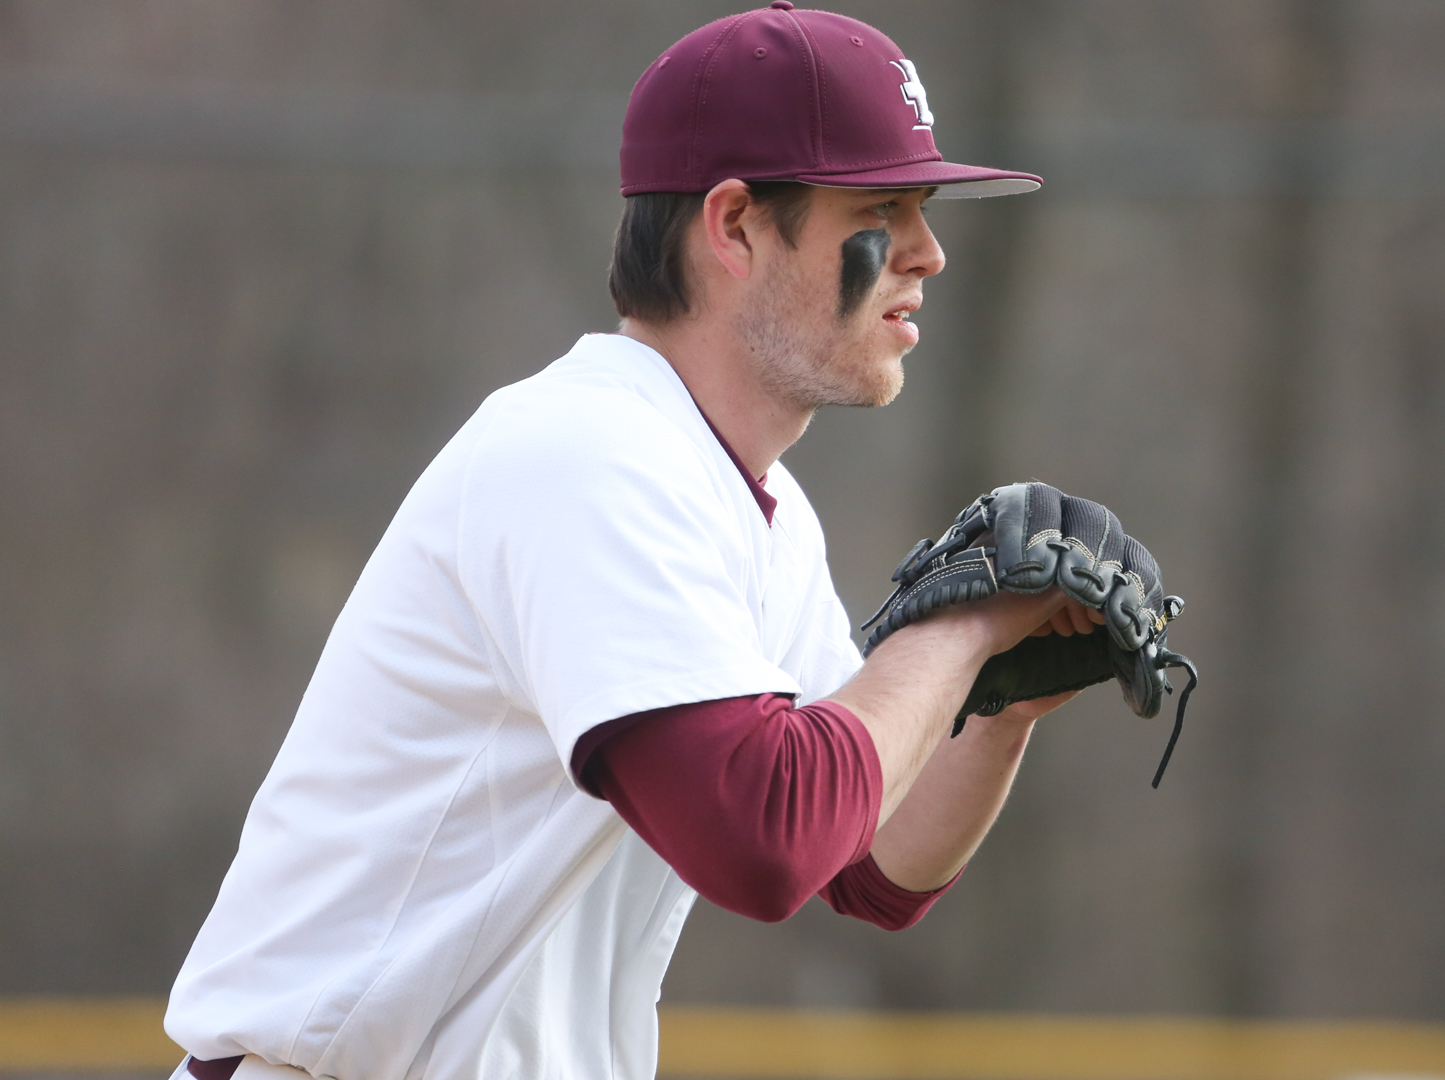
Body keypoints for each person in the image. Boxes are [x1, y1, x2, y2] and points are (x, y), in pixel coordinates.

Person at [164, 5, 1085, 1080]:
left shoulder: (745, 498)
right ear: (734, 226)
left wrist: (1000, 701)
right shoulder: (586, 454)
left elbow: (876, 860)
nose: (928, 252)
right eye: (883, 206)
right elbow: (768, 836)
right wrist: (957, 631)